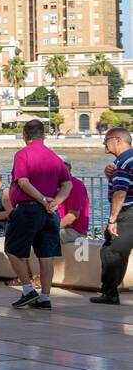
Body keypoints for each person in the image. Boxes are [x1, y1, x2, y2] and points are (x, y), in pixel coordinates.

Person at [3, 119, 71, 310]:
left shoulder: (22, 154)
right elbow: (68, 184)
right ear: (44, 135)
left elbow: (23, 182)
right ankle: (45, 297)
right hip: (50, 213)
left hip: (28, 209)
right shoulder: (54, 157)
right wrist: (55, 202)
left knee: (13, 249)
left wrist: (42, 199)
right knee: (46, 254)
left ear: (25, 136)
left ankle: (28, 290)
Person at [92, 128, 133, 305]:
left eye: (106, 140)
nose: (104, 143)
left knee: (111, 251)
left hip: (128, 213)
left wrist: (112, 220)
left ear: (118, 140)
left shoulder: (123, 163)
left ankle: (109, 293)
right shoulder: (125, 161)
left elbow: (120, 193)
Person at [56, 157, 90, 244]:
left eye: (62, 165)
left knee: (45, 237)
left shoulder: (76, 185)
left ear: (69, 167)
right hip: (61, 228)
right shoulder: (54, 185)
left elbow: (72, 216)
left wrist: (52, 228)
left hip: (74, 231)